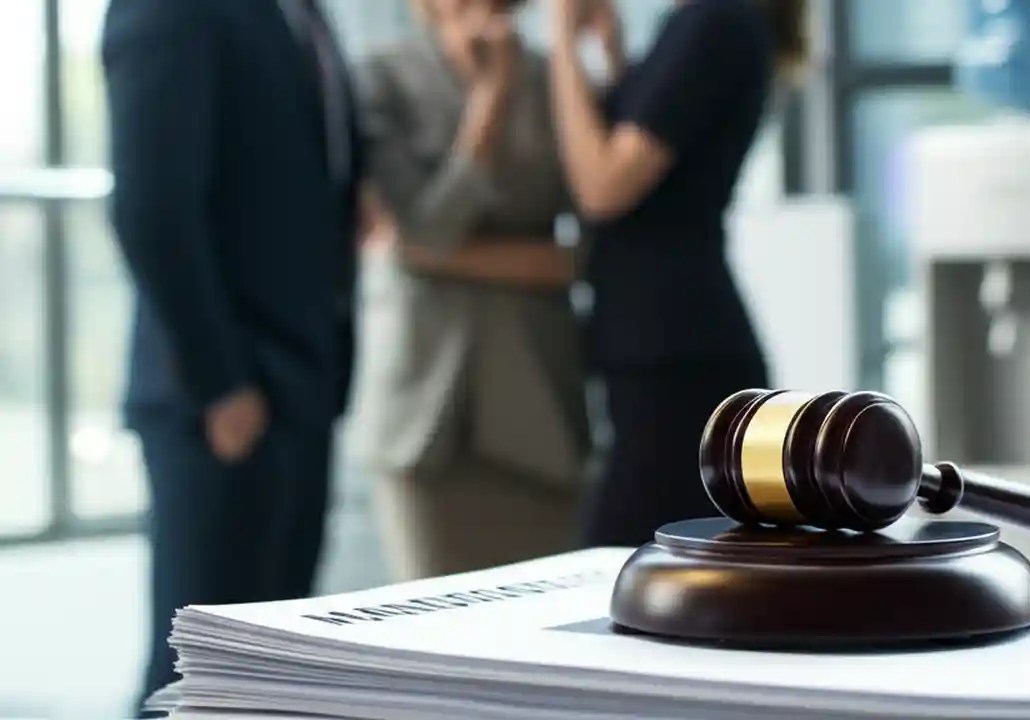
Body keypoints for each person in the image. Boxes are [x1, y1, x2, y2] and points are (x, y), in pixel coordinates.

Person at [101, 0, 361, 710]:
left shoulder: (300, 13)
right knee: (196, 674)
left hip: (305, 381)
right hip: (222, 395)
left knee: (271, 675)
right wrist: (222, 385)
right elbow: (152, 209)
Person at [547, 0, 808, 546]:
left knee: (615, 569)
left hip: (673, 351)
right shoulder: (719, 23)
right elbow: (659, 156)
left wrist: (562, 44)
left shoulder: (714, 22)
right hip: (672, 341)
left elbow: (603, 188)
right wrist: (611, 56)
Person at [349, 0, 592, 580]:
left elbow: (591, 242)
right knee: (431, 642)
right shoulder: (383, 77)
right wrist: (490, 98)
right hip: (424, 411)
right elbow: (426, 226)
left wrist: (433, 258)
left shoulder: (553, 74)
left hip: (539, 407)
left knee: (547, 636)